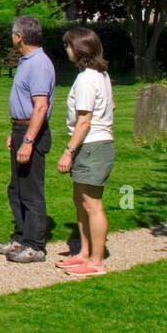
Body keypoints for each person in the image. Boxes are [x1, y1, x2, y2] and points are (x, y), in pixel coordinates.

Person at [0, 16, 55, 263]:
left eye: (13, 34)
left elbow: (40, 107)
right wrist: (15, 132)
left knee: (31, 190)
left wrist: (28, 141)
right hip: (22, 128)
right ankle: (21, 236)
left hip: (32, 132)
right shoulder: (27, 61)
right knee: (16, 188)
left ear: (19, 37)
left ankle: (35, 245)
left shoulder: (39, 64)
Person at [55, 27, 115, 277]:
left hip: (92, 145)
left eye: (68, 45)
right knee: (80, 201)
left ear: (79, 49)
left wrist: (68, 151)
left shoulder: (87, 79)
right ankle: (84, 253)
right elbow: (112, 106)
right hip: (92, 144)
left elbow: (84, 121)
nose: (66, 50)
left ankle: (97, 262)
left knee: (92, 204)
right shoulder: (101, 75)